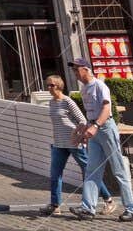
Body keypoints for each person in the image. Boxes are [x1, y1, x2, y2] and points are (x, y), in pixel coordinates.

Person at [71, 58, 133, 222]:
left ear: (86, 69)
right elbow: (91, 112)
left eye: (76, 69)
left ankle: (131, 209)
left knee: (118, 170)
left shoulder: (100, 86)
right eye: (73, 70)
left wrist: (95, 126)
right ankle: (88, 208)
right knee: (92, 169)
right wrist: (85, 129)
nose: (74, 73)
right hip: (95, 130)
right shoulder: (84, 89)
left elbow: (106, 108)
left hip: (106, 128)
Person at [41, 75, 112, 216]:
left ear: (59, 86)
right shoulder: (51, 102)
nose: (49, 88)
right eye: (47, 85)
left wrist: (77, 134)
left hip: (74, 143)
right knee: (55, 174)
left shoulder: (68, 102)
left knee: (90, 172)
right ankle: (55, 205)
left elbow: (82, 120)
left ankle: (108, 200)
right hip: (59, 143)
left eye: (51, 85)